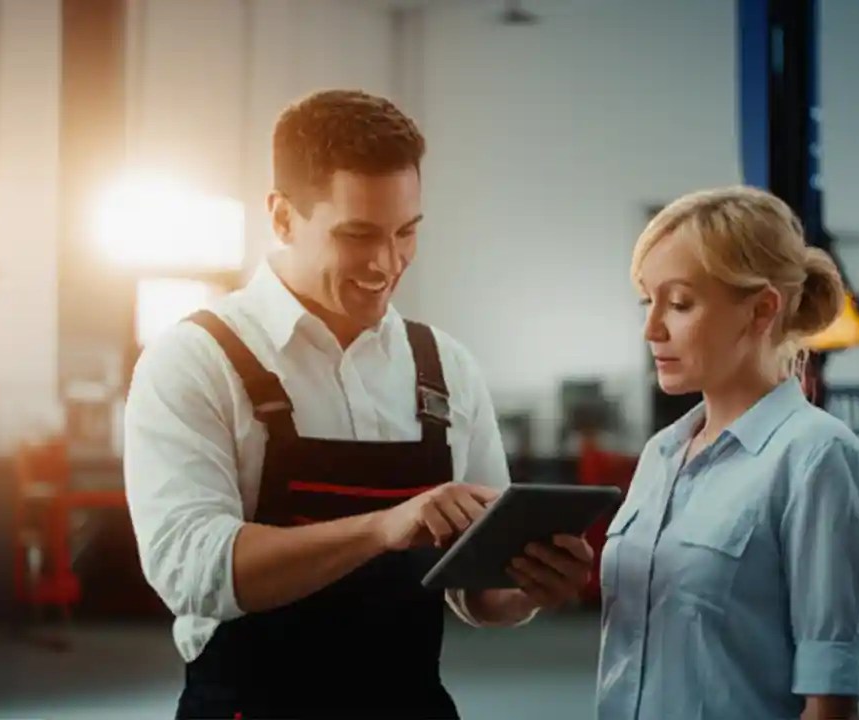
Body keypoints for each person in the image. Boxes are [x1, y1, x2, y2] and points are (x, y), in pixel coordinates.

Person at [123, 88, 595, 720]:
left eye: (406, 233)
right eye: (357, 235)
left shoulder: (446, 367)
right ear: (284, 217)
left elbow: (478, 591)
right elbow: (194, 570)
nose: (386, 263)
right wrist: (384, 526)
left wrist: (530, 589)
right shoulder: (195, 360)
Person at [597, 186, 859, 720]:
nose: (651, 328)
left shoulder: (817, 459)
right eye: (648, 301)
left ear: (761, 310)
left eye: (679, 303)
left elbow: (831, 702)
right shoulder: (661, 454)